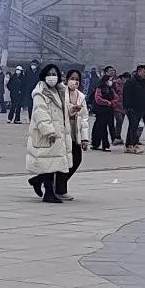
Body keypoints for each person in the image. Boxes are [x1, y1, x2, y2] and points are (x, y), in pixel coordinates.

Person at [26, 63, 71, 204]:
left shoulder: (61, 91)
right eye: (49, 74)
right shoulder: (40, 92)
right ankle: (49, 193)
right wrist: (49, 131)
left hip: (59, 131)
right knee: (49, 162)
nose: (52, 77)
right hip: (47, 132)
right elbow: (40, 113)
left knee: (53, 162)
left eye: (54, 74)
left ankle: (38, 181)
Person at [60, 68, 90, 199]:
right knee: (64, 161)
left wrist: (85, 138)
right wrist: (72, 109)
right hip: (62, 132)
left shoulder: (81, 96)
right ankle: (60, 188)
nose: (75, 81)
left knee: (76, 159)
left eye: (77, 79)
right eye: (72, 78)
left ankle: (44, 181)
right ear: (67, 79)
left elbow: (84, 118)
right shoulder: (61, 93)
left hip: (75, 132)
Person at [123, 62, 145, 153]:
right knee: (133, 126)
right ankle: (131, 145)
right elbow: (126, 95)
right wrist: (128, 106)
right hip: (133, 108)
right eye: (144, 72)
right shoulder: (131, 81)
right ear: (139, 71)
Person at [91, 67, 118, 151]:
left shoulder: (111, 89)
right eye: (109, 80)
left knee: (105, 127)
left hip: (109, 111)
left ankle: (103, 143)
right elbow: (98, 99)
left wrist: (112, 103)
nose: (111, 81)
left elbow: (116, 98)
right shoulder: (99, 88)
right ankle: (103, 144)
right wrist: (107, 102)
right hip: (101, 111)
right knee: (101, 128)